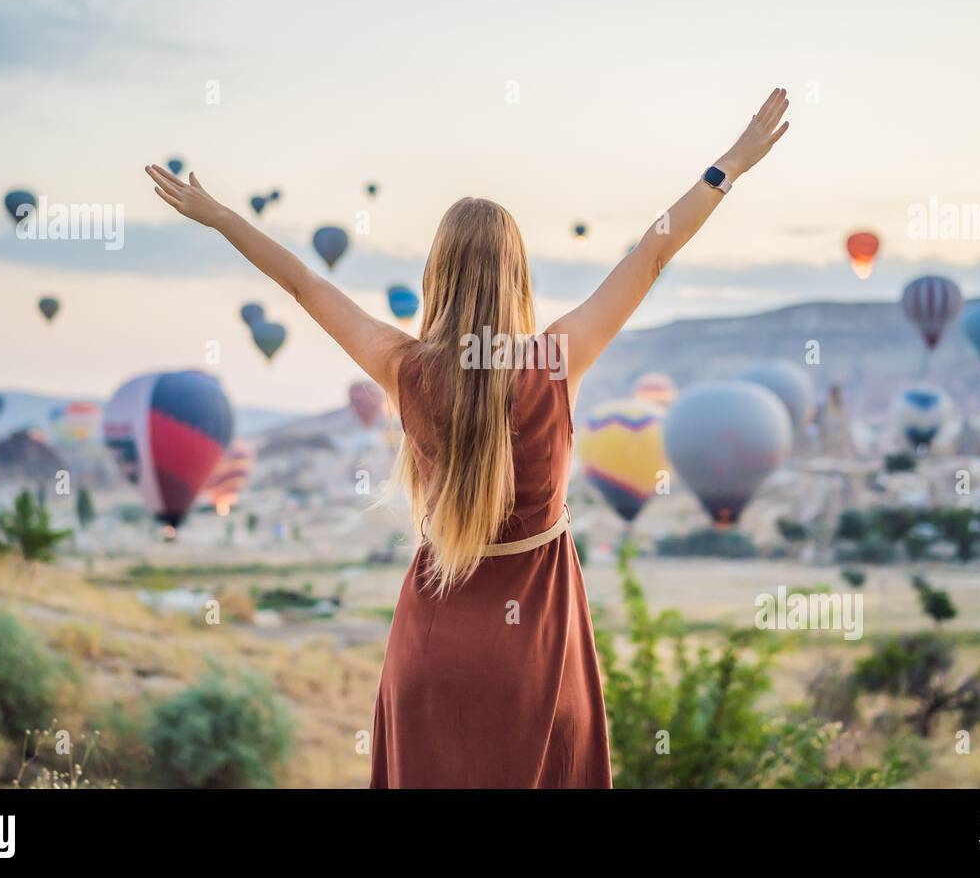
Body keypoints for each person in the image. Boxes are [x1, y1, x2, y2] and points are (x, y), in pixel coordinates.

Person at [144, 87, 791, 788]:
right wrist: (729, 164)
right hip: (534, 661)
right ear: (518, 274)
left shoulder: (402, 368)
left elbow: (303, 283)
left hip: (432, 653)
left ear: (435, 276)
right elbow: (650, 256)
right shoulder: (557, 360)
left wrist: (221, 218)